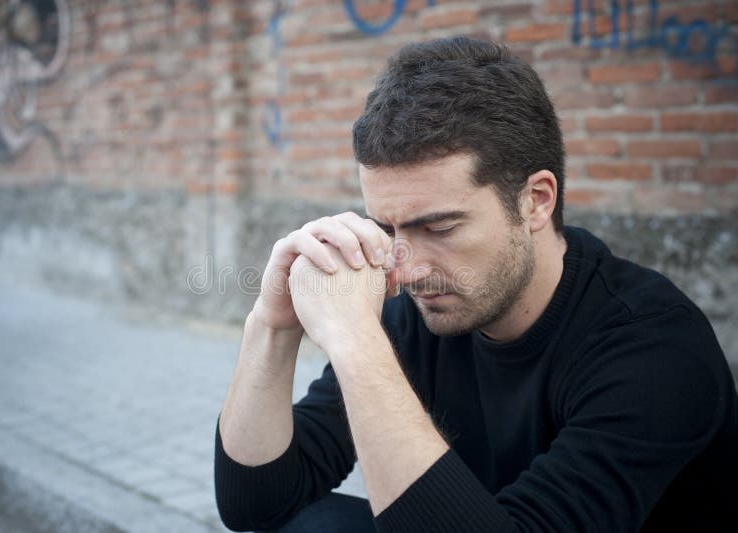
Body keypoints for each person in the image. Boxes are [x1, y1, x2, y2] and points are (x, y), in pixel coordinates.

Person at [214, 37, 738, 532]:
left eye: (440, 228)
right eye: (389, 228)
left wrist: (355, 343)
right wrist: (273, 324)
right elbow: (256, 503)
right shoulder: (417, 314)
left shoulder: (654, 347)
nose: (408, 267)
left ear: (535, 200)